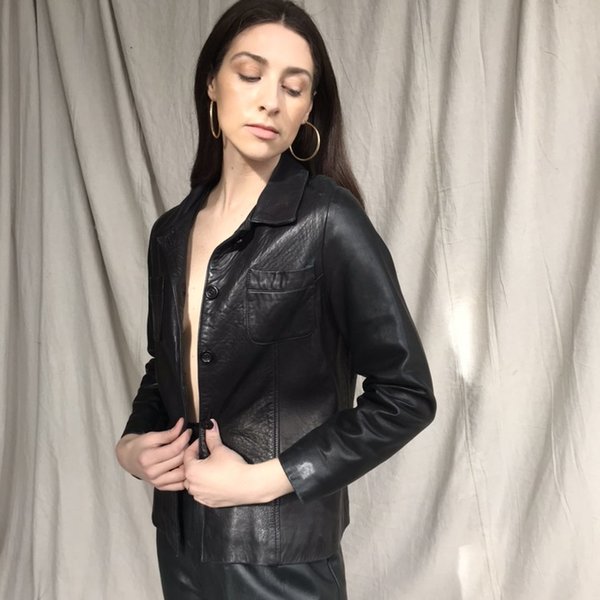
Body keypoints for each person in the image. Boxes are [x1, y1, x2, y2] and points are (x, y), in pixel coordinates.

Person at [115, 1, 436, 598]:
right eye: (250, 74)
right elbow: (168, 367)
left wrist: (264, 480)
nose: (271, 101)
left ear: (309, 108)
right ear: (212, 82)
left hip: (281, 559)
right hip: (181, 544)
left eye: (294, 87)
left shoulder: (329, 221)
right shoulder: (171, 233)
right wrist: (134, 446)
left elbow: (407, 395)